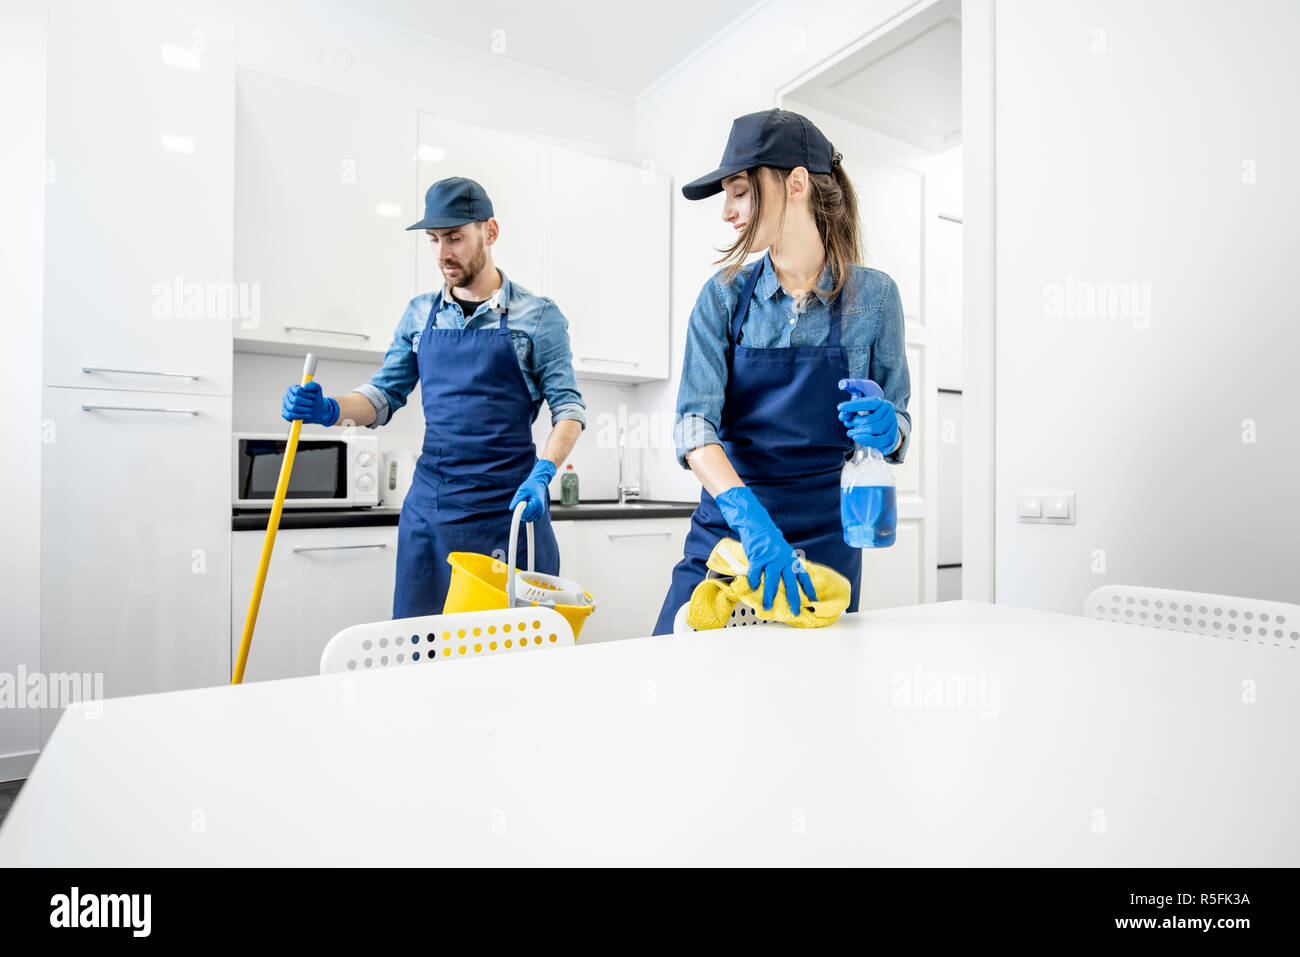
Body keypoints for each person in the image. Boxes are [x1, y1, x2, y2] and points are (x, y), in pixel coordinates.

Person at [652, 109, 911, 635]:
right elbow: (693, 427)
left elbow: (899, 419)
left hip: (825, 549)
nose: (727, 211)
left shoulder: (876, 298)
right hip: (728, 537)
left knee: (813, 702)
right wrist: (750, 519)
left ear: (795, 184)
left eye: (740, 191)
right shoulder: (722, 298)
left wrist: (890, 428)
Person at [281, 176, 585, 618]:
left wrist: (544, 473)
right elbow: (383, 395)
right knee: (416, 651)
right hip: (431, 514)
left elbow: (569, 410)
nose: (444, 253)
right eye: (434, 239)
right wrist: (330, 410)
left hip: (509, 512)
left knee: (507, 655)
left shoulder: (538, 317)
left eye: (456, 238)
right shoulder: (419, 313)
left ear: (490, 232)